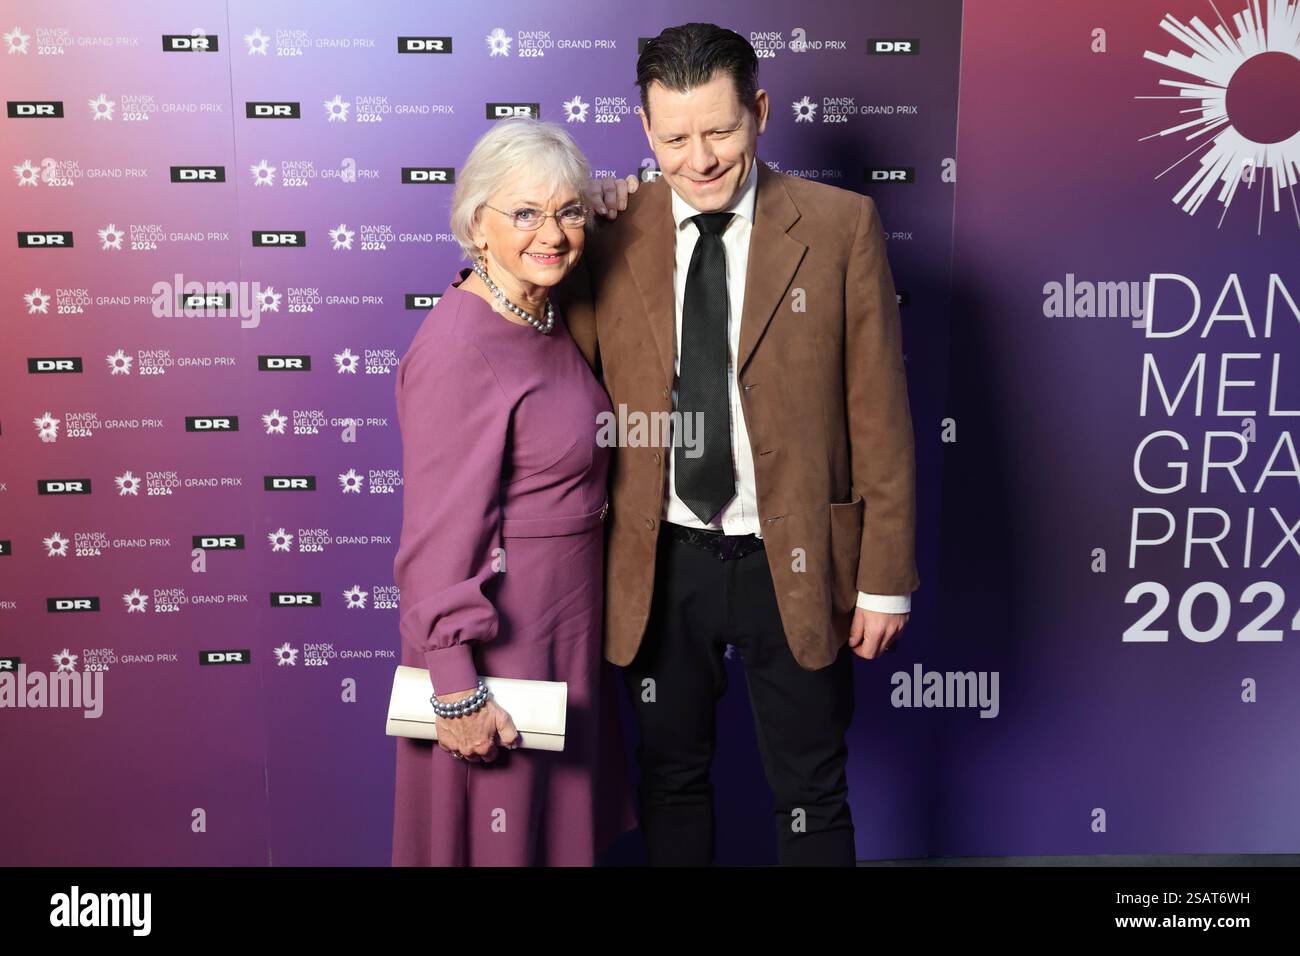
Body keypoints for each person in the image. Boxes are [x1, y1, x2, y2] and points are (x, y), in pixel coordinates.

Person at [561, 22, 920, 866]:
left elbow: (880, 414)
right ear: (645, 131)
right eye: (676, 137)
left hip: (792, 556)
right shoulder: (608, 231)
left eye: (720, 130)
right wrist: (574, 217)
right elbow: (536, 359)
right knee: (670, 780)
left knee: (812, 788)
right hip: (658, 562)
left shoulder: (840, 227)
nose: (700, 158)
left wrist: (884, 582)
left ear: (760, 111)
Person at [391, 117, 635, 866]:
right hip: (505, 640)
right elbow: (437, 539)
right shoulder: (459, 349)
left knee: (555, 837)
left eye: (567, 211)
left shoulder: (540, 307)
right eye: (524, 214)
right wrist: (457, 691)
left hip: (566, 626)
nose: (552, 233)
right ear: (475, 226)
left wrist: (614, 197)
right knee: (503, 837)